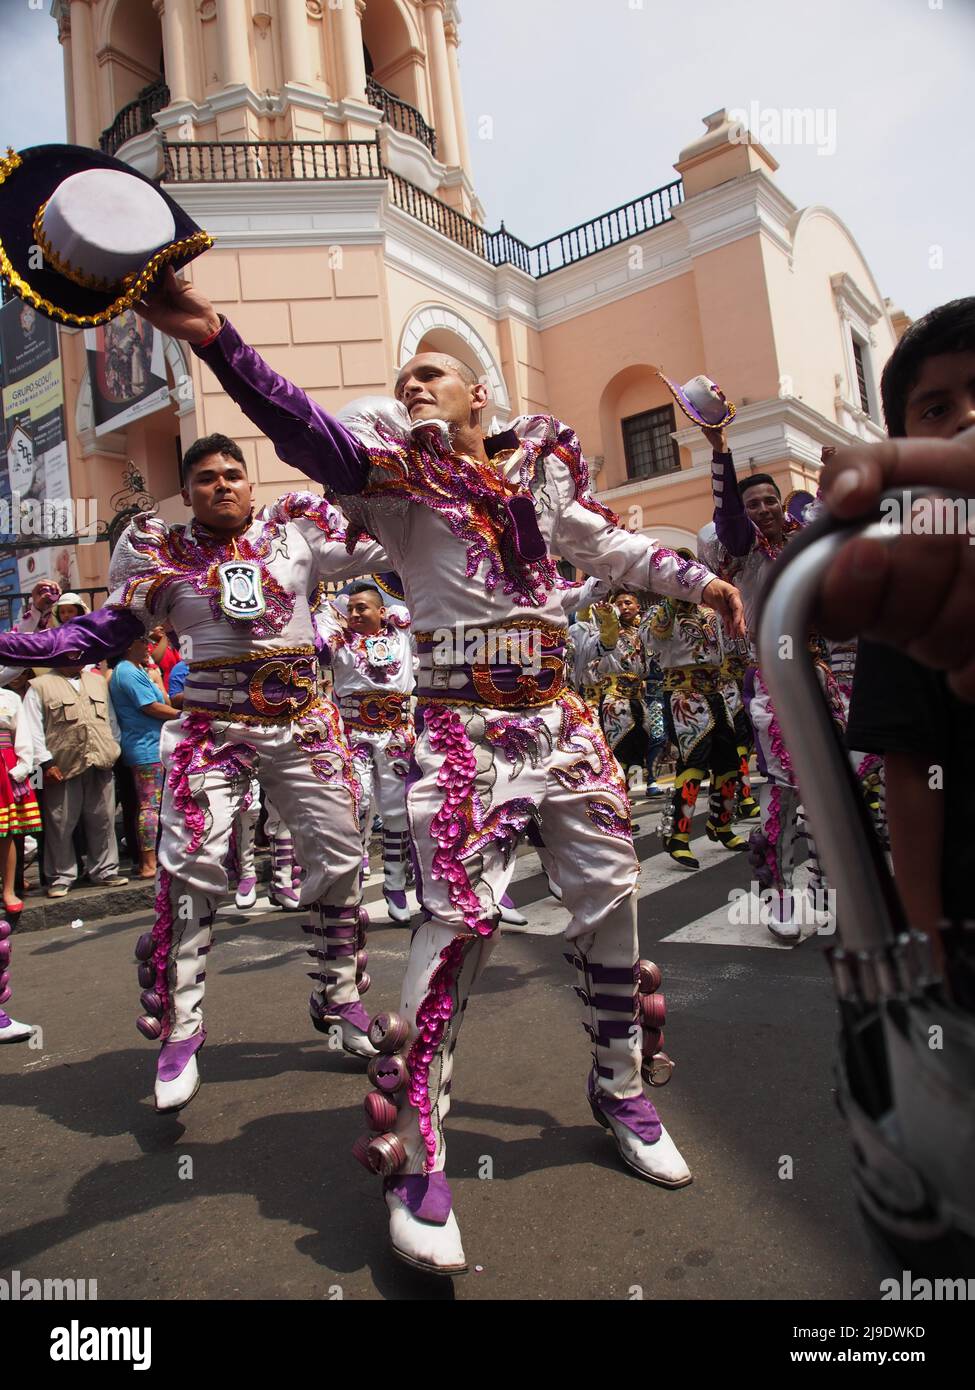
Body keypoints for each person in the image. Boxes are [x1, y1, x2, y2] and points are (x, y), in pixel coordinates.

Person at [134, 270, 745, 1273]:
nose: (411, 385)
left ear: (480, 397)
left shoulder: (541, 475)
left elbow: (611, 545)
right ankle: (422, 1159)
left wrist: (701, 578)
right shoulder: (397, 489)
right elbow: (309, 433)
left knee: (613, 908)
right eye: (403, 377)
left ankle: (621, 1087)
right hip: (463, 740)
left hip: (568, 728)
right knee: (455, 931)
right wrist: (215, 339)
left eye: (430, 373)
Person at [0, 432, 389, 1113]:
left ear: (250, 482)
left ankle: (342, 997)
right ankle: (182, 1028)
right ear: (188, 494)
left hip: (302, 724)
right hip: (212, 731)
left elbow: (391, 541)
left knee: (340, 856)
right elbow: (85, 638)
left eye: (232, 473)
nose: (221, 485)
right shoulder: (158, 555)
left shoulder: (295, 534)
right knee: (191, 870)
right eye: (205, 478)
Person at [832, 299, 975, 939]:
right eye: (937, 408)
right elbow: (914, 772)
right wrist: (924, 944)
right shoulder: (909, 577)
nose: (968, 418)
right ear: (906, 446)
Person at [709, 424, 843, 941]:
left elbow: (835, 519)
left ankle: (826, 882)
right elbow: (730, 520)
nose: (764, 508)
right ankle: (779, 890)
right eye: (755, 502)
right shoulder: (743, 549)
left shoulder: (804, 540)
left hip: (819, 675)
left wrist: (831, 473)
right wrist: (721, 451)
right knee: (784, 787)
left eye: (770, 500)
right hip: (771, 681)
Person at [318, 582, 416, 924]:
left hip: (395, 734)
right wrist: (328, 614)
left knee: (395, 810)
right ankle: (354, 879)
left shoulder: (401, 635)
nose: (356, 614)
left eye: (363, 608)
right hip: (354, 734)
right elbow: (319, 649)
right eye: (352, 608)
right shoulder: (340, 641)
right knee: (354, 804)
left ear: (381, 612)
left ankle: (395, 884)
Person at [646, 565, 748, 870]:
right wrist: (672, 600)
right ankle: (677, 836)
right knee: (693, 762)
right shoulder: (661, 614)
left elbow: (731, 646)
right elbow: (653, 639)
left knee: (729, 761)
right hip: (684, 695)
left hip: (716, 692)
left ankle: (721, 824)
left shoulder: (709, 614)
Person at [22, 663, 128, 897]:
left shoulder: (97, 681)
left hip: (100, 758)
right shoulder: (39, 686)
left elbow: (110, 720)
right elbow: (33, 729)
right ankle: (61, 876)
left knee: (103, 818)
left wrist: (113, 748)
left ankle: (105, 870)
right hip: (62, 764)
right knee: (60, 821)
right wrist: (45, 763)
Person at [109, 635, 179, 881]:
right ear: (129, 644)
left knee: (160, 806)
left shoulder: (140, 670)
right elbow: (150, 706)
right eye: (142, 640)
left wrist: (157, 677)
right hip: (144, 748)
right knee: (150, 806)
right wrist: (184, 716)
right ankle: (148, 862)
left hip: (156, 744)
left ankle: (159, 857)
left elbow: (163, 699)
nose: (148, 646)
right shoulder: (126, 671)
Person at [588, 588, 667, 797]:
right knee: (617, 755)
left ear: (638, 606)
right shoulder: (608, 628)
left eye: (628, 603)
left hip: (638, 700)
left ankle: (626, 804)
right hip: (616, 701)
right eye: (620, 603)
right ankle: (618, 807)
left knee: (638, 754)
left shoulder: (642, 632)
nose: (624, 607)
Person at [0, 679, 41, 914]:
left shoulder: (9, 697)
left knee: (4, 832)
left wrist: (23, 766)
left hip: (3, 766)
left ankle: (8, 890)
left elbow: (23, 736)